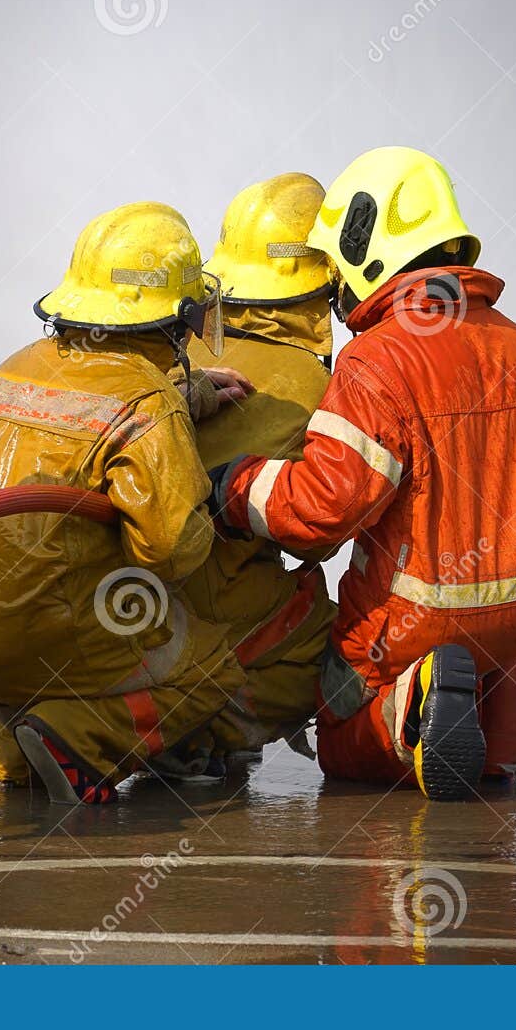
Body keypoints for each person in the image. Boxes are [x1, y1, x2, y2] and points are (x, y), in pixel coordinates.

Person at [208, 147, 516, 800]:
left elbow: (324, 509)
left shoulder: (380, 357)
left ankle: (411, 710)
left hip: (420, 610)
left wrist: (233, 486)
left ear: (364, 248)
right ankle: (502, 746)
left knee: (345, 736)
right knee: (487, 645)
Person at [0, 201, 243, 804]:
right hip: (35, 634)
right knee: (211, 667)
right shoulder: (147, 402)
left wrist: (186, 400)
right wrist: (207, 494)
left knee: (39, 592)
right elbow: (171, 549)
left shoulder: (16, 366)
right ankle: (81, 742)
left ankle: (18, 770)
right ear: (174, 319)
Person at [181, 173, 336, 756]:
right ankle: (201, 737)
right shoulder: (315, 384)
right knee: (328, 638)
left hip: (102, 606)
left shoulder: (180, 348)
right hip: (202, 601)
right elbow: (317, 534)